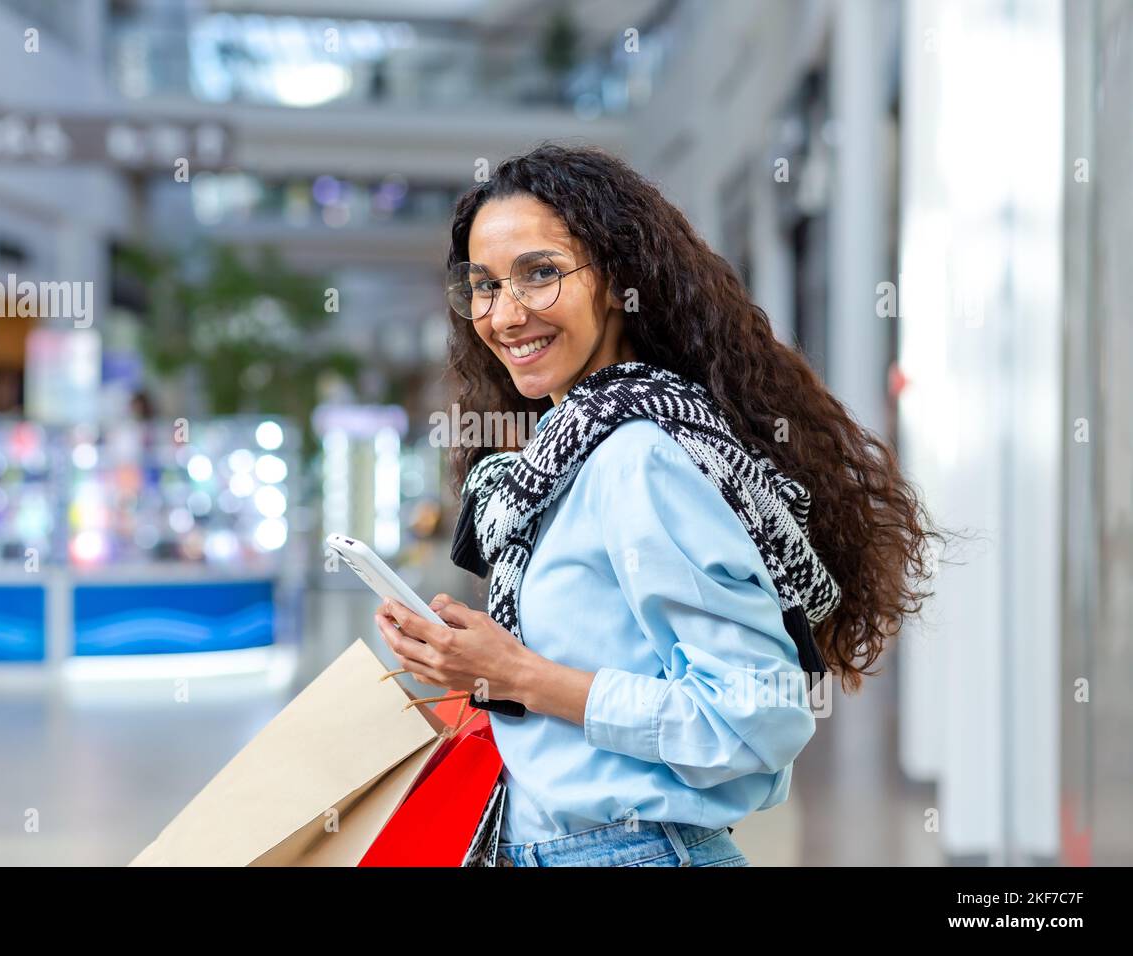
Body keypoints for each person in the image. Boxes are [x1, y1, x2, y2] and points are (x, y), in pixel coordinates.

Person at [374, 143, 943, 867]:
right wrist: (473, 658)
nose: (504, 314)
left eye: (540, 274)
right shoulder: (563, 456)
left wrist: (518, 676)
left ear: (618, 280)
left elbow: (753, 719)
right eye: (483, 285)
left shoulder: (639, 456)